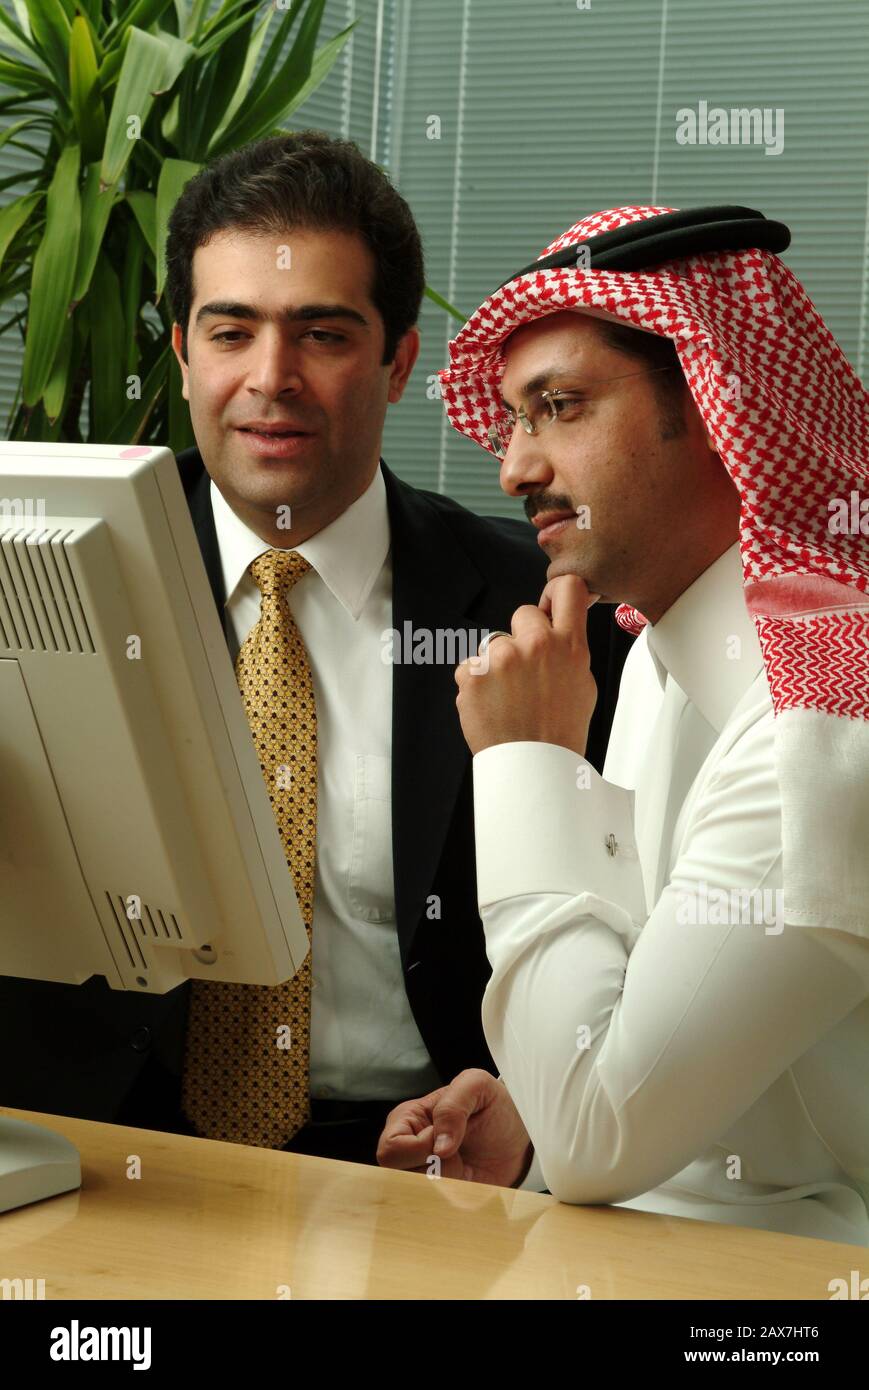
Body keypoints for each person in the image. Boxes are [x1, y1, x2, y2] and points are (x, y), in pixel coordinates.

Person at [0, 135, 633, 1168]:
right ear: (179, 352)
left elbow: (639, 940)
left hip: (427, 1169)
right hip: (89, 1154)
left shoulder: (556, 607)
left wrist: (521, 1105)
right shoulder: (41, 568)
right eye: (229, 330)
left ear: (397, 361)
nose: (269, 378)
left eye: (322, 334)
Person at [377, 203, 869, 1244]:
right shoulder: (652, 657)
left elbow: (603, 1131)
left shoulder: (826, 707)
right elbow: (642, 1054)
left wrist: (526, 762)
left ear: (713, 396)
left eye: (559, 407)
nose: (512, 469)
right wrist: (531, 1116)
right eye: (514, 418)